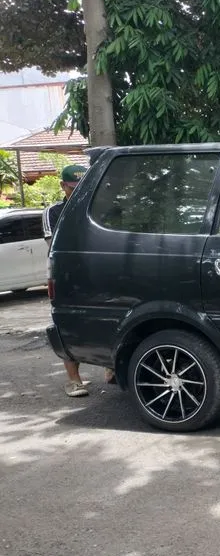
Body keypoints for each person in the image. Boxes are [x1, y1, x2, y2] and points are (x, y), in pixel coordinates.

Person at [43, 164, 116, 397]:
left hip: (101, 274)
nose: (77, 193)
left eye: (81, 187)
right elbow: (54, 244)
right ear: (63, 186)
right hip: (69, 277)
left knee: (109, 320)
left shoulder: (102, 209)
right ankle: (74, 380)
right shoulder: (54, 212)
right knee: (71, 326)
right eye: (73, 188)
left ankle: (112, 368)